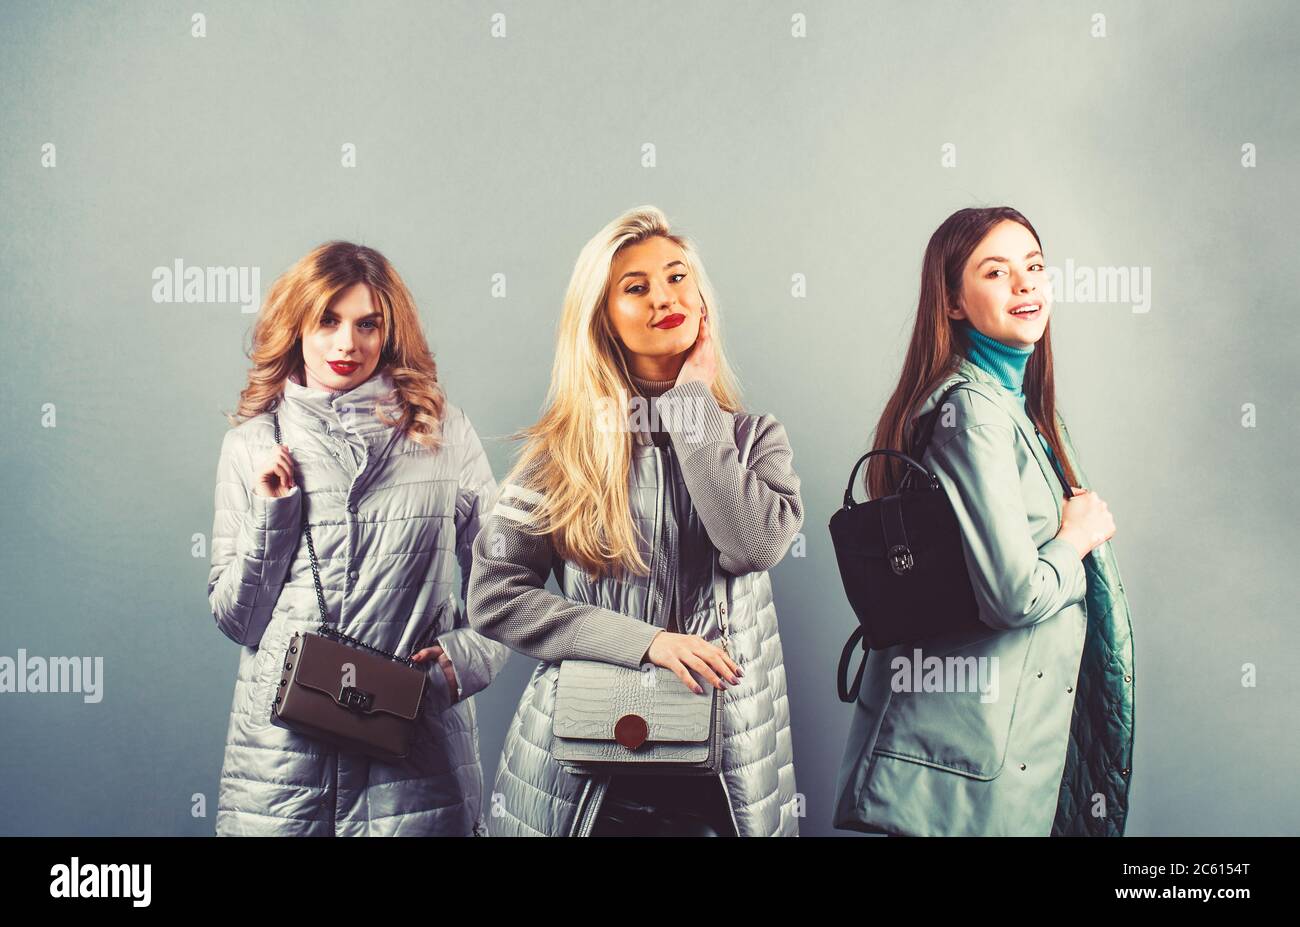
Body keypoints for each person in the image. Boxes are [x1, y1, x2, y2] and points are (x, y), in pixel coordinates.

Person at [466, 206, 804, 836]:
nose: (663, 299)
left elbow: (751, 546)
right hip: (586, 776)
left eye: (677, 278)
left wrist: (693, 408)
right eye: (636, 288)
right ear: (603, 318)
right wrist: (644, 643)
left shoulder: (756, 438)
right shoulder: (561, 453)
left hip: (723, 775)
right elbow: (492, 598)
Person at [833, 207, 1135, 836]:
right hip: (961, 768)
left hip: (990, 747)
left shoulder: (1014, 406)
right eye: (996, 271)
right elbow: (1014, 597)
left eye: (1034, 267)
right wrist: (1076, 538)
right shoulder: (974, 413)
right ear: (952, 303)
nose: (1025, 284)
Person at [207, 240, 511, 835]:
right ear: (296, 325)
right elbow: (238, 621)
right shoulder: (251, 444)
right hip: (281, 762)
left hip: (416, 756)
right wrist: (274, 512)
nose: (348, 343)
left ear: (390, 331)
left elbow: (505, 585)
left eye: (367, 324)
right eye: (328, 321)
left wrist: (457, 665)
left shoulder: (443, 432)